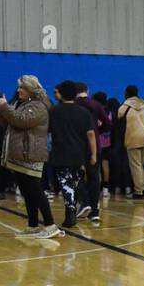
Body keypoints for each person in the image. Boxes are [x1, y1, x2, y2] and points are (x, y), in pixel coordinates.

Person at [0, 74, 61, 238]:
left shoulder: (39, 106)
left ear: (31, 90)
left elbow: (21, 121)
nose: (18, 91)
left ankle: (50, 224)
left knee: (36, 190)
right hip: (22, 155)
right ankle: (33, 225)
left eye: (22, 88)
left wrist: (4, 108)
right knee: (27, 191)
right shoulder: (24, 104)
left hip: (31, 154)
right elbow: (10, 123)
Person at [50, 80, 97, 230]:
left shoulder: (54, 111)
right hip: (79, 154)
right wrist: (94, 154)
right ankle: (74, 207)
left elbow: (47, 132)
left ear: (62, 94)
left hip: (60, 152)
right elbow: (90, 134)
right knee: (76, 183)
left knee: (65, 183)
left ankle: (70, 210)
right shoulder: (83, 112)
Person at [73, 83, 106, 226]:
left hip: (77, 145)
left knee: (75, 175)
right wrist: (99, 128)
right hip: (95, 146)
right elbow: (109, 123)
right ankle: (95, 211)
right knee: (94, 178)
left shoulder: (73, 105)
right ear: (87, 91)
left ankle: (84, 201)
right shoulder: (96, 105)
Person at [118, 85, 144, 197]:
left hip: (132, 138)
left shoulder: (124, 107)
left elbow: (119, 117)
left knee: (136, 166)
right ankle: (142, 188)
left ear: (126, 94)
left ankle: (138, 191)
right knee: (141, 164)